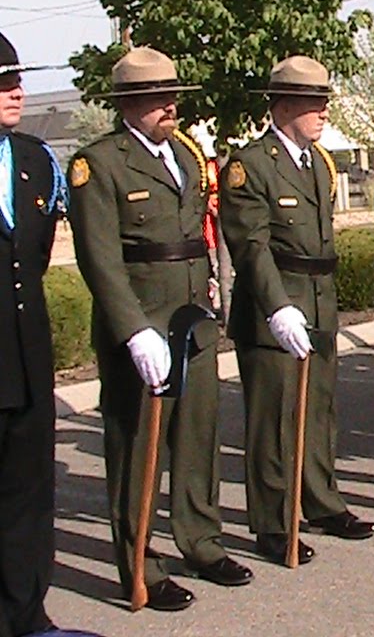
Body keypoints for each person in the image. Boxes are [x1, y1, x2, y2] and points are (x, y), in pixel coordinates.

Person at [68, 47, 252, 612]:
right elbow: (99, 258)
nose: (170, 104)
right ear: (128, 102)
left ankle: (201, 540)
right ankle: (140, 564)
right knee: (137, 448)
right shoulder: (99, 164)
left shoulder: (187, 154)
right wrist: (133, 330)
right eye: (157, 96)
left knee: (197, 438)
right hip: (143, 328)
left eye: (173, 94)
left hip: (191, 322)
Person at [219, 56, 374, 566]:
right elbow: (252, 246)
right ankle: (271, 521)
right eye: (314, 102)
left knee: (319, 410)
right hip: (277, 306)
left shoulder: (316, 163)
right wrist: (277, 308)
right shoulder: (252, 164)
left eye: (325, 101)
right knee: (273, 421)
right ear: (283, 104)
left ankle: (322, 501)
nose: (323, 111)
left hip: (318, 299)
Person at [0, 32, 66, 635]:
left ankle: (26, 609)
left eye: (16, 79)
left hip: (27, 350)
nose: (15, 90)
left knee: (29, 491)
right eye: (2, 82)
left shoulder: (35, 158)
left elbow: (38, 253)